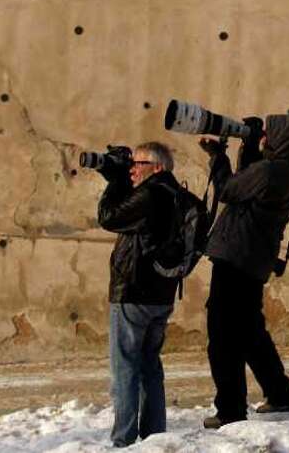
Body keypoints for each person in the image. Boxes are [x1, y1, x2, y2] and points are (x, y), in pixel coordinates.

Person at [199, 114, 289, 429]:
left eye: (266, 134)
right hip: (254, 261)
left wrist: (219, 157)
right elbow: (249, 184)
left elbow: (229, 190)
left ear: (276, 140)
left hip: (235, 258)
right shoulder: (287, 172)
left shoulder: (268, 170)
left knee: (222, 336)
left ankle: (230, 409)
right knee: (250, 332)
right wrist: (248, 148)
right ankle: (280, 393)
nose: (262, 137)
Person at [96, 142, 181, 447]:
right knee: (149, 366)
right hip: (162, 293)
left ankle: (124, 439)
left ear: (157, 167)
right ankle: (154, 435)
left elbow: (109, 217)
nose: (132, 167)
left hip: (134, 292)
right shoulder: (176, 194)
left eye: (138, 163)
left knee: (125, 368)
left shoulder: (150, 193)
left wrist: (115, 181)